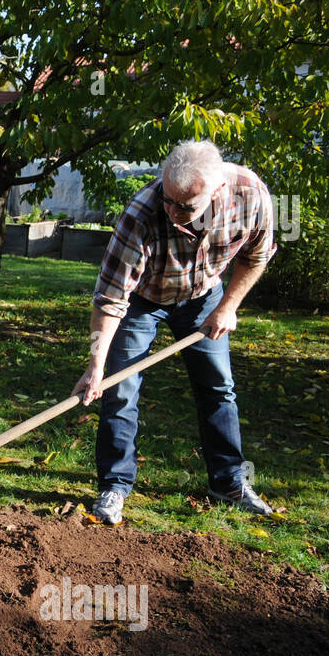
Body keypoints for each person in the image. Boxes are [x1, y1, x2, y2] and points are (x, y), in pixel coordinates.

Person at [72, 140, 277, 525]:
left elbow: (257, 255)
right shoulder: (142, 215)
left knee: (218, 387)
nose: (172, 211)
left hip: (204, 296)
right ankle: (115, 485)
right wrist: (96, 366)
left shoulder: (250, 196)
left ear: (217, 192)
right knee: (120, 388)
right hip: (142, 300)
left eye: (185, 207)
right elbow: (111, 298)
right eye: (168, 198)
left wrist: (227, 307)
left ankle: (229, 482)